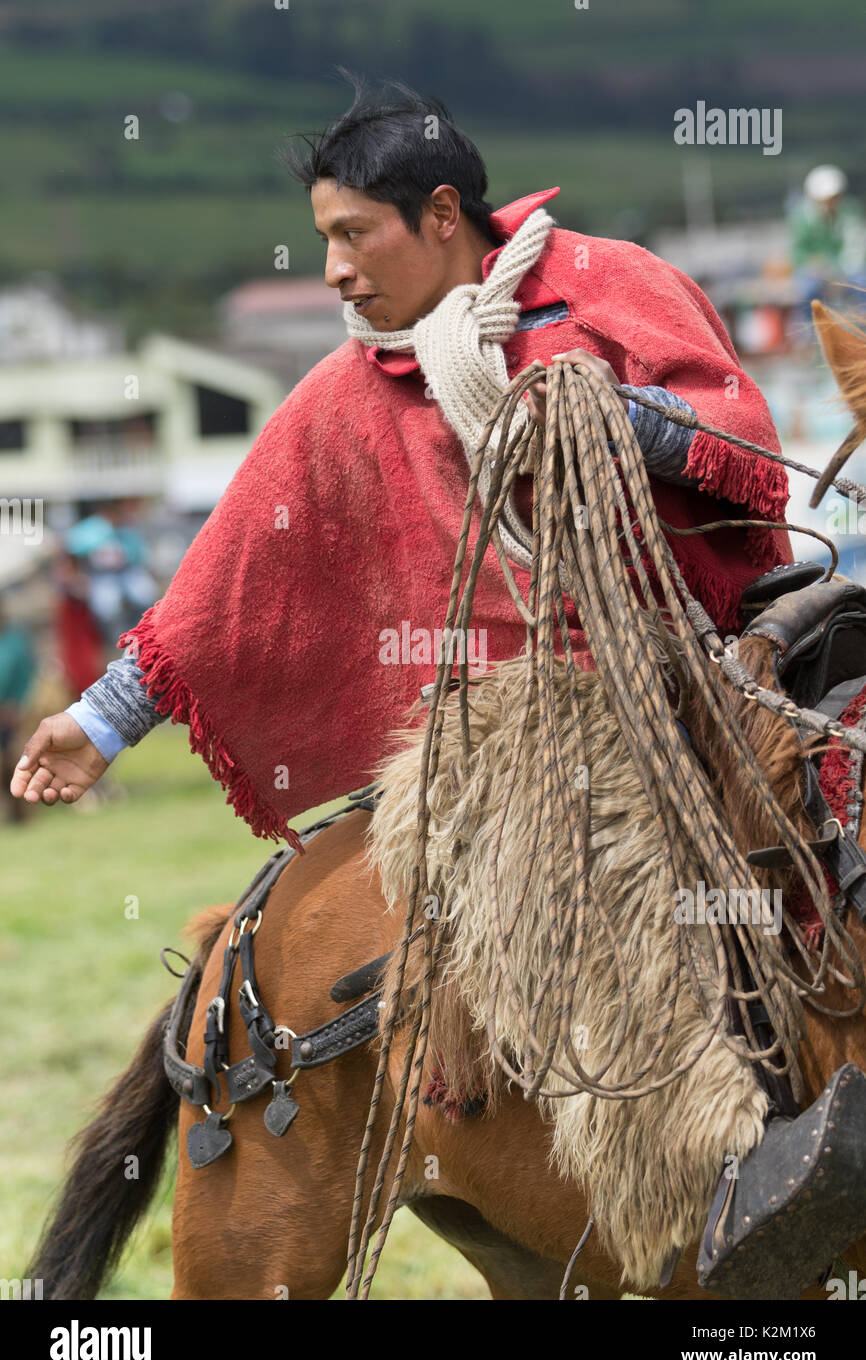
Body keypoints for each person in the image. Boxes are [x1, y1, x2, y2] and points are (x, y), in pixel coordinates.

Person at [10, 76, 854, 1295]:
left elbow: (737, 440)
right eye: (322, 244)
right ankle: (698, 1187)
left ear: (441, 212)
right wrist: (97, 723)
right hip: (507, 741)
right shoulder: (340, 402)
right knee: (603, 904)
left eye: (354, 235)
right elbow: (223, 578)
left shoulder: (609, 286)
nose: (336, 271)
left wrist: (624, 422)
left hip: (712, 670)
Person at [788, 164, 866, 331]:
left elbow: (855, 248)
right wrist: (820, 268)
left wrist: (839, 275)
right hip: (816, 272)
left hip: (847, 270)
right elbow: (800, 253)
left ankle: (861, 328)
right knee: (807, 289)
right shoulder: (803, 217)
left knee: (861, 283)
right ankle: (807, 333)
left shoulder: (850, 212)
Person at [0, 599, 37, 823]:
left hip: (14, 715)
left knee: (16, 761)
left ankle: (22, 815)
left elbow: (29, 677)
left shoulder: (16, 641)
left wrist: (17, 705)